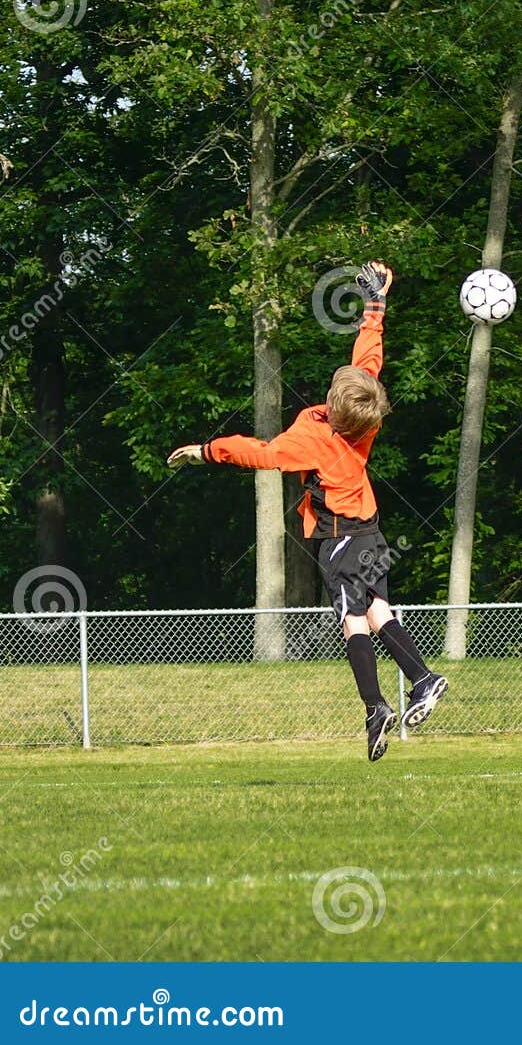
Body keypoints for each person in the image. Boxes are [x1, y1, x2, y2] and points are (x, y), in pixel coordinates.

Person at [167, 261, 448, 761]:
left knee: (352, 620)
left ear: (335, 403)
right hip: (371, 531)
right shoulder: (365, 422)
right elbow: (368, 362)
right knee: (378, 610)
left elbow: (262, 453)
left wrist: (207, 450)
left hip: (340, 539)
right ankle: (423, 680)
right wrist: (375, 305)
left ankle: (375, 706)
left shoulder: (314, 439)